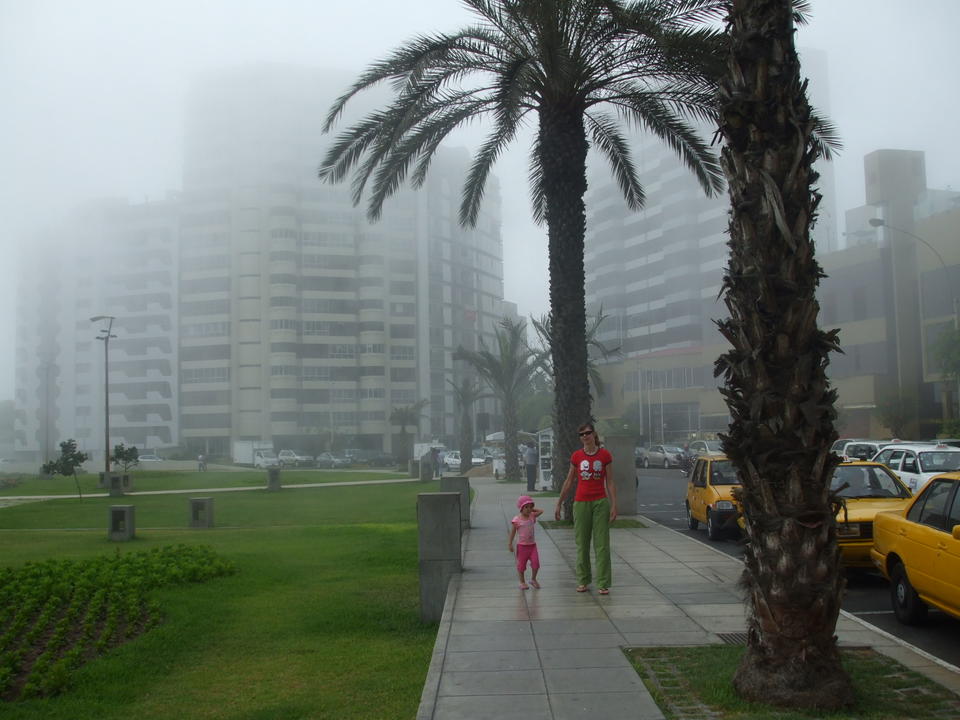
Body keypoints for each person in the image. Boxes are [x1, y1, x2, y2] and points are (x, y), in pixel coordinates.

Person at [555, 423, 617, 595]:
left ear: (594, 434)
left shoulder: (605, 455)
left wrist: (614, 504)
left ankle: (603, 583)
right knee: (582, 544)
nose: (585, 436)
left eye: (588, 433)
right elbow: (569, 481)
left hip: (600, 503)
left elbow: (610, 481)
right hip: (581, 502)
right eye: (581, 434)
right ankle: (583, 580)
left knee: (602, 544)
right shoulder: (577, 456)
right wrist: (559, 503)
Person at [508, 494, 543, 590]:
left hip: (532, 546)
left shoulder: (532, 516)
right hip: (522, 547)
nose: (529, 509)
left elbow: (541, 511)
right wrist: (510, 543)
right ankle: (522, 582)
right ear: (521, 508)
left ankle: (533, 579)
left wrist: (532, 509)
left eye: (530, 507)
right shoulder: (517, 520)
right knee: (521, 565)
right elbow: (512, 532)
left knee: (536, 563)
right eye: (526, 507)